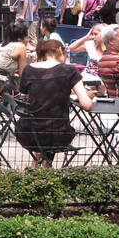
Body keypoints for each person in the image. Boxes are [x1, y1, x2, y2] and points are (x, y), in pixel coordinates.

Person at [16, 38, 94, 166]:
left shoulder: (29, 70)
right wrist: (88, 95)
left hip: (27, 132)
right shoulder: (69, 70)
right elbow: (86, 105)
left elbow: (29, 96)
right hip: (58, 134)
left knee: (42, 120)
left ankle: (36, 168)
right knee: (50, 124)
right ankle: (44, 170)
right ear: (59, 51)